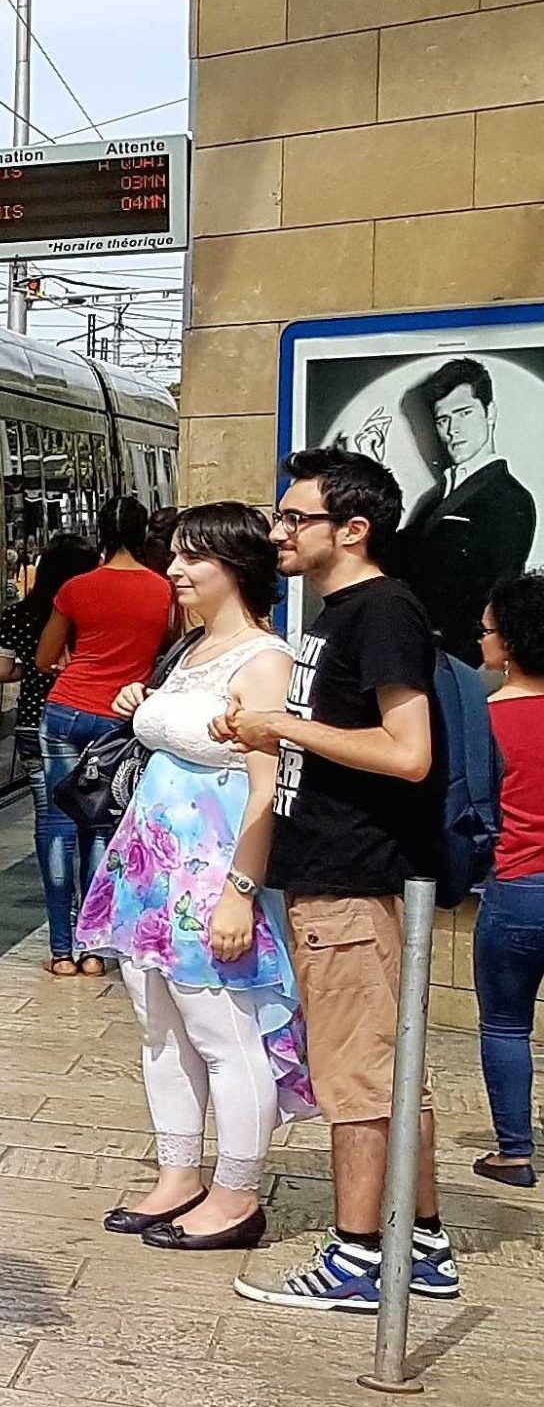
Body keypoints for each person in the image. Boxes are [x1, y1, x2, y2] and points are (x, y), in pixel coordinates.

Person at [217, 448, 460, 1313]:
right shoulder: (340, 614)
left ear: (351, 530)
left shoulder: (380, 611)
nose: (279, 532)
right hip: (336, 872)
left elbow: (408, 753)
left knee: (356, 1079)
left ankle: (358, 1255)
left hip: (354, 877)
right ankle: (421, 1240)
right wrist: (272, 734)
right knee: (390, 1072)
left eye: (296, 519)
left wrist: (284, 726)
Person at [78, 504, 311, 1251]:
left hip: (210, 870)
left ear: (237, 567)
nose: (175, 570)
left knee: (223, 1033)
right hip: (150, 863)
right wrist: (142, 706)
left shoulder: (264, 660)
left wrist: (242, 890)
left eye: (192, 558)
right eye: (175, 555)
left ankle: (238, 1193)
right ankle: (179, 1173)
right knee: (160, 1029)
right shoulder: (189, 650)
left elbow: (268, 781)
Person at [33, 496, 174, 978]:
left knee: (58, 824)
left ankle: (60, 951)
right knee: (101, 827)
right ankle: (94, 949)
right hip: (121, 719)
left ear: (100, 530)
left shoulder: (76, 588)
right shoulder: (163, 590)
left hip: (66, 710)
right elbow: (167, 653)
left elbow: (44, 657)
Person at [472, 569, 544, 1188]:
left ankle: (514, 1151)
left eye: (488, 630)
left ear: (512, 643)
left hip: (516, 885)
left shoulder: (484, 719)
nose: (481, 641)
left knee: (505, 1023)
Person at [394, 358, 537, 665]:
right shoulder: (436, 496)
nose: (452, 430)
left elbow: (495, 599)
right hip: (417, 657)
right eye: (442, 419)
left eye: (463, 413)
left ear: (490, 413)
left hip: (458, 666)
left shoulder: (510, 499)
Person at [0, 534, 96, 782]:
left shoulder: (17, 614)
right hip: (85, 715)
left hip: (32, 719)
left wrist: (34, 665)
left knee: (46, 809)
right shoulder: (93, 613)